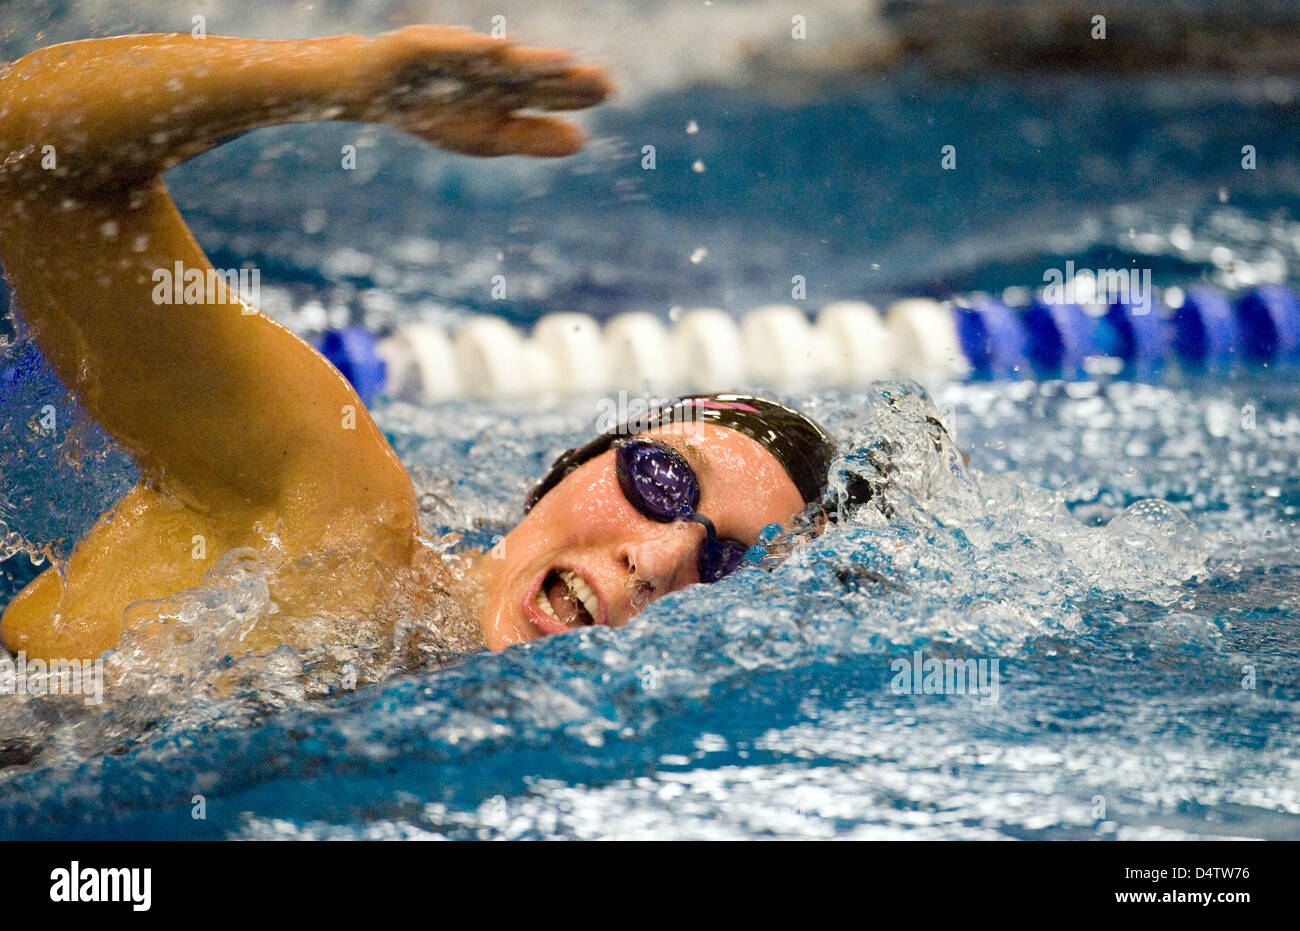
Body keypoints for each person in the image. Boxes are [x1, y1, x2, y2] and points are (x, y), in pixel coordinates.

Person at [0, 25, 836, 667]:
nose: (659, 557)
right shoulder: (335, 507)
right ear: (573, 464)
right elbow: (33, 152)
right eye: (663, 479)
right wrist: (334, 81)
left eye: (723, 562)